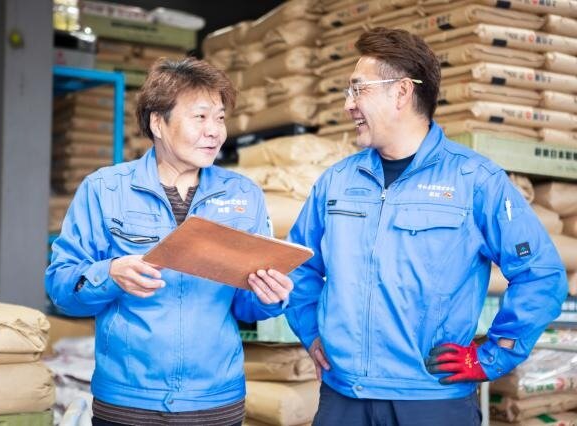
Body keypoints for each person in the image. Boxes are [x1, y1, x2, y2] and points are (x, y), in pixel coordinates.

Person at [284, 27, 568, 426]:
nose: (348, 104)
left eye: (358, 89)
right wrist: (312, 332)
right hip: (344, 397)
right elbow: (297, 265)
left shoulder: (475, 180)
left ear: (401, 92)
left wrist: (493, 355)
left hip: (432, 400)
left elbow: (541, 275)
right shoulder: (337, 182)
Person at [45, 57, 294, 426]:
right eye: (200, 117)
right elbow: (61, 286)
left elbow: (245, 306)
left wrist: (269, 297)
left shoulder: (243, 195)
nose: (214, 132)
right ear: (157, 123)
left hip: (215, 402)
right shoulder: (105, 190)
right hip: (129, 401)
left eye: (220, 118)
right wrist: (110, 274)